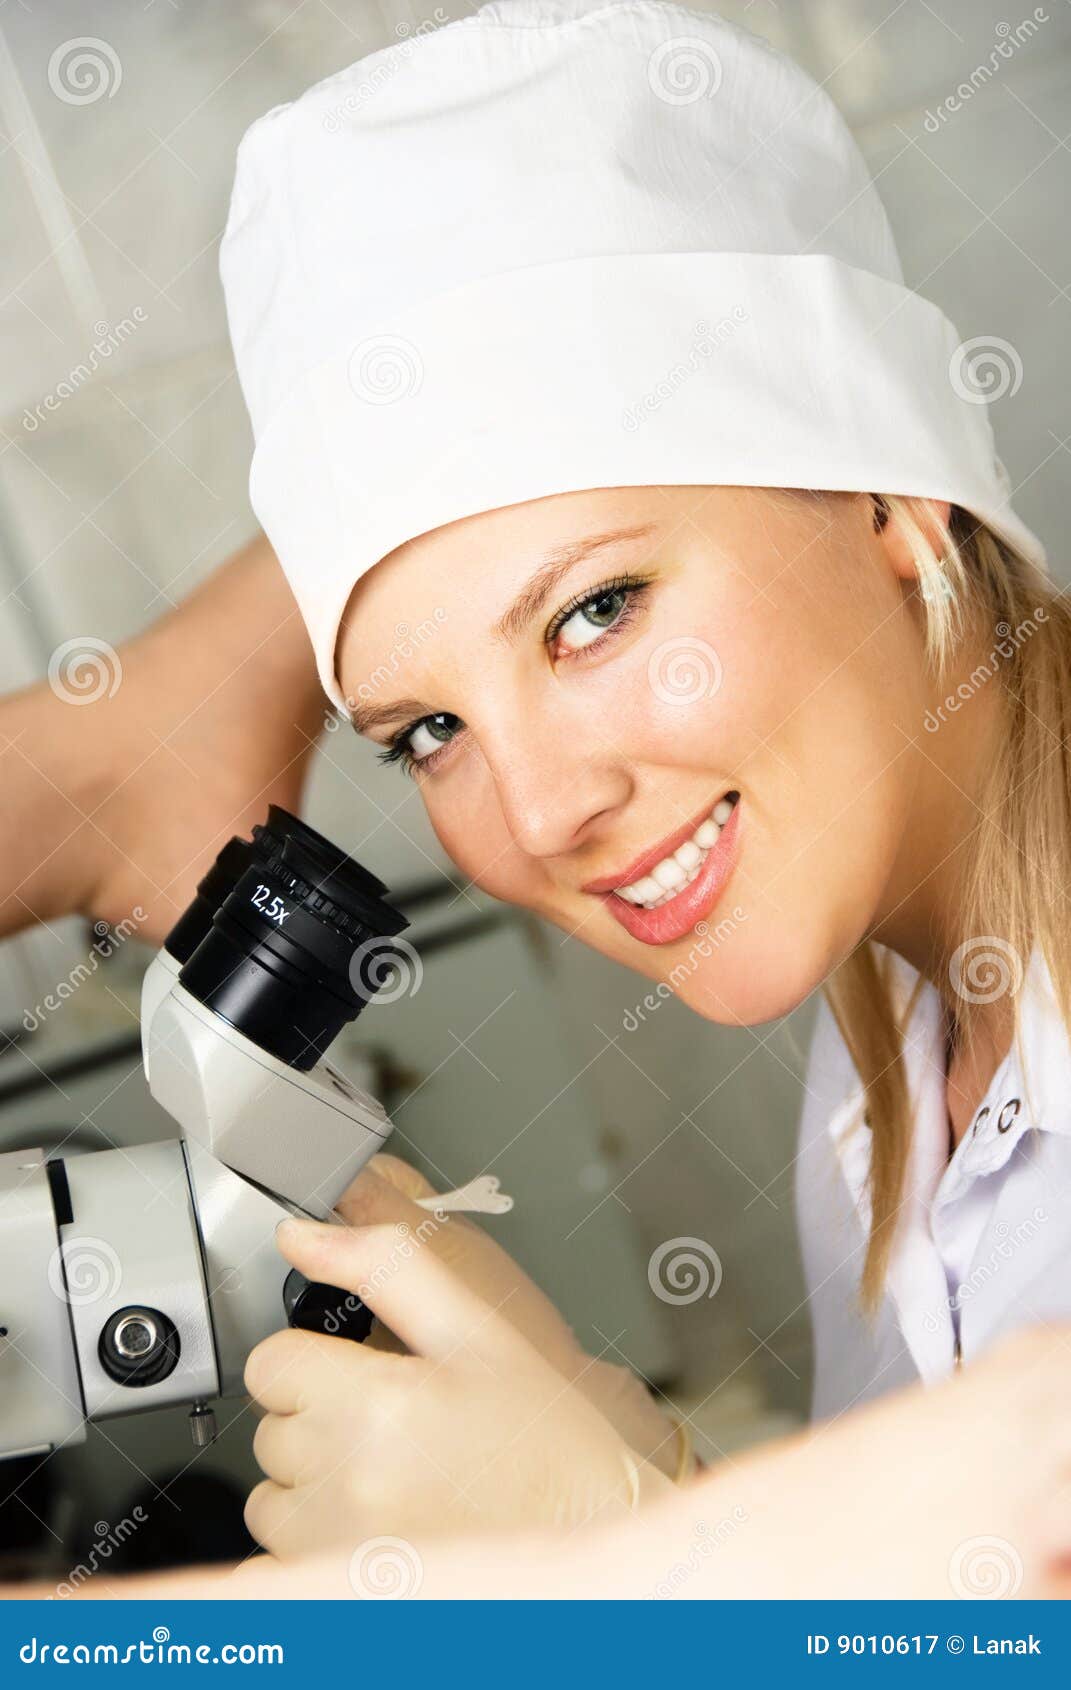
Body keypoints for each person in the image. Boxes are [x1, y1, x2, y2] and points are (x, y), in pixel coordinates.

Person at [3, 0, 1070, 1596]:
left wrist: (623, 1543)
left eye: (597, 611)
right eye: (427, 729)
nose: (543, 811)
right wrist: (638, 1463)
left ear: (886, 497)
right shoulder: (898, 1064)